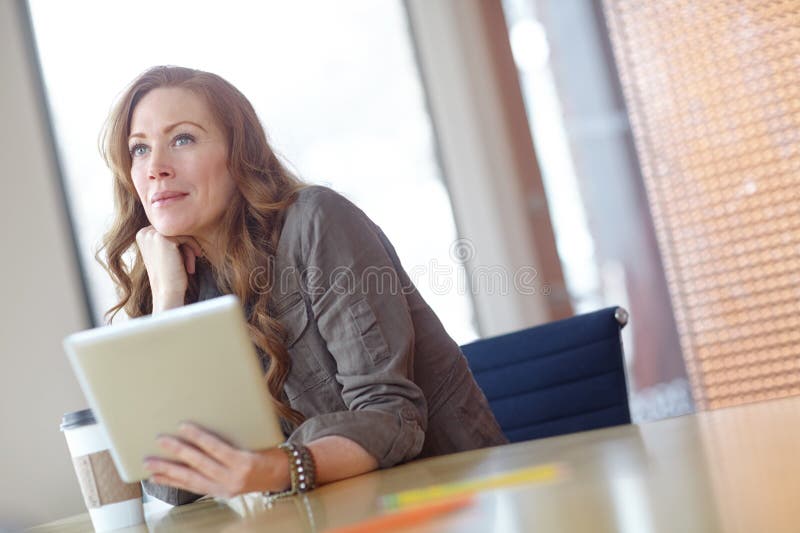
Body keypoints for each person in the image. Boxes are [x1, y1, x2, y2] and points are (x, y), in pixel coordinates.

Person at [98, 65, 506, 504]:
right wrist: (167, 301)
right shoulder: (177, 279)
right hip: (333, 514)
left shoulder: (316, 221)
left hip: (454, 499)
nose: (155, 168)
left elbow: (392, 418)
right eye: (139, 149)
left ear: (238, 153)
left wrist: (276, 469)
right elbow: (169, 485)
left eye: (182, 139)